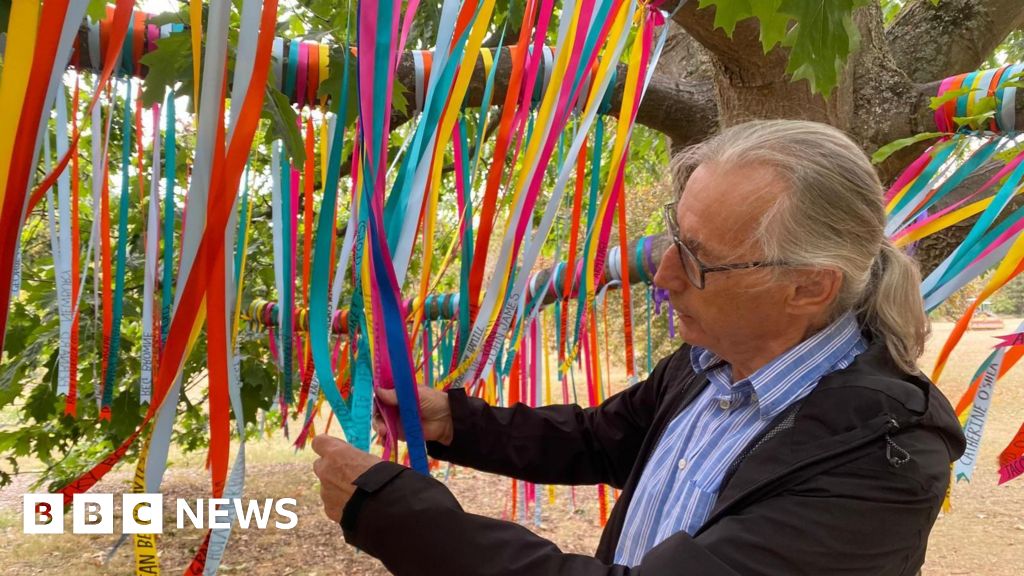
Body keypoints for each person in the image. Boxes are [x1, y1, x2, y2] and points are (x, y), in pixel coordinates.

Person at [312, 120, 966, 575]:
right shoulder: (711, 363)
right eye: (671, 240)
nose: (663, 276)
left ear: (808, 287)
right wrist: (457, 422)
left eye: (699, 259)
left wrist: (395, 516)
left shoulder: (883, 459)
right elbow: (600, 439)